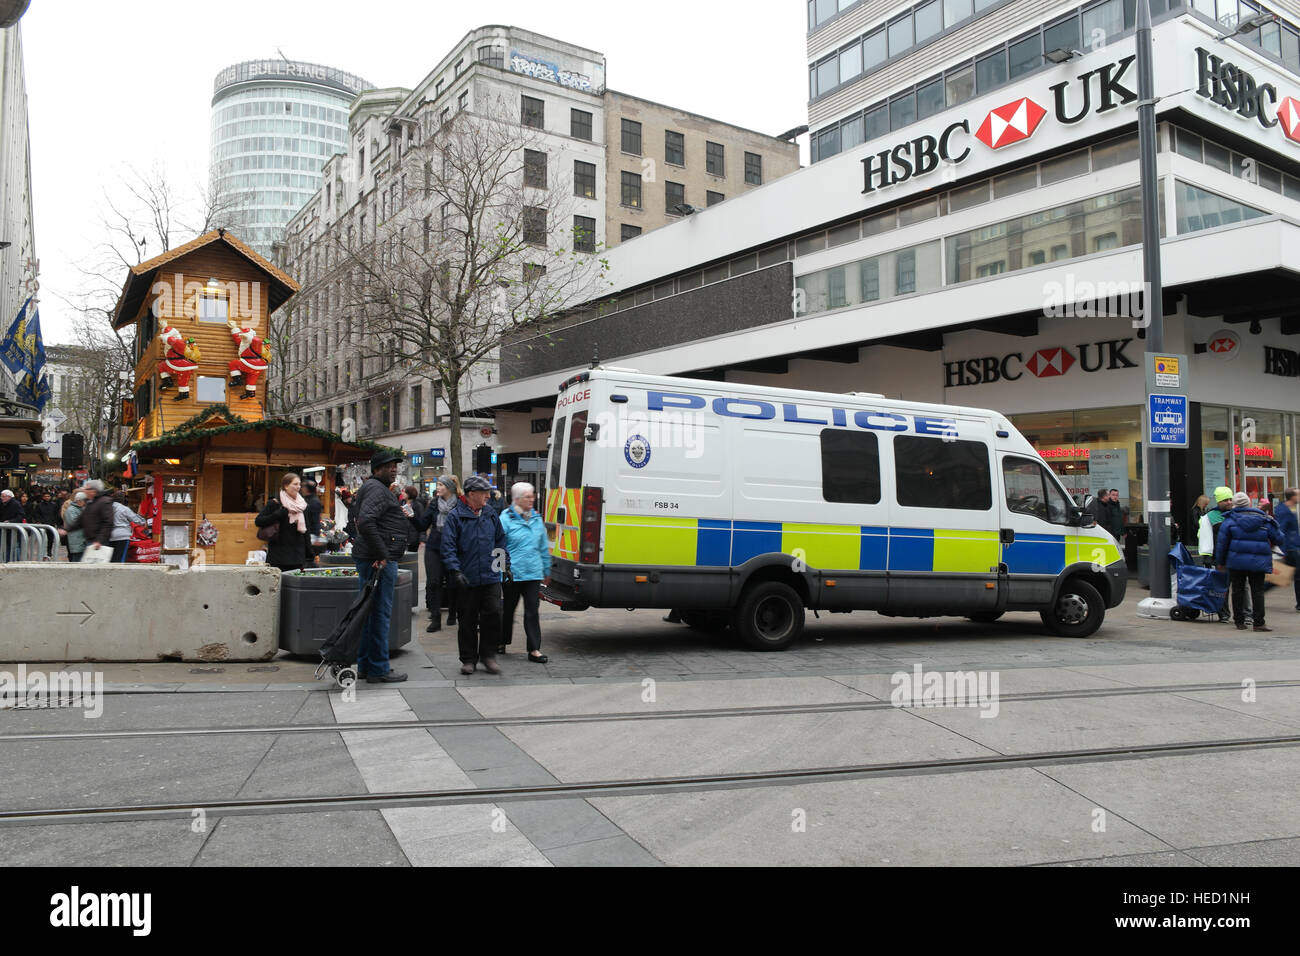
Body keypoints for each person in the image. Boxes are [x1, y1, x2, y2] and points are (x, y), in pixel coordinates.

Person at [351, 450, 410, 683]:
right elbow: (365, 521)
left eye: (395, 465)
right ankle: (378, 668)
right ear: (376, 470)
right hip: (378, 560)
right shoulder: (376, 488)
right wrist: (383, 554)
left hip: (371, 557)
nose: (393, 469)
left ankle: (367, 665)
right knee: (379, 615)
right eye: (387, 466)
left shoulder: (374, 488)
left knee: (369, 612)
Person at [442, 474, 507, 675]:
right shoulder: (455, 516)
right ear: (471, 494)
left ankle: (488, 656)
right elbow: (448, 547)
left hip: (490, 576)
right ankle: (468, 659)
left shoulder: (490, 514)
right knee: (467, 619)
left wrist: (505, 566)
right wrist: (455, 570)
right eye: (484, 493)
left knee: (494, 615)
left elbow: (500, 541)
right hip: (467, 578)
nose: (488, 496)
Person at [1215, 490, 1284, 632]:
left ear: (1234, 504)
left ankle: (1239, 622)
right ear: (1248, 503)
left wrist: (1220, 562)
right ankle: (1259, 623)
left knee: (1237, 591)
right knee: (1257, 591)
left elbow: (1222, 544)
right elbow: (1279, 539)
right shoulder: (1264, 519)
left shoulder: (1229, 521)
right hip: (1258, 561)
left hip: (1236, 562)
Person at [499, 482, 552, 662]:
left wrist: (546, 569)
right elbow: (497, 546)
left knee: (532, 611)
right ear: (516, 499)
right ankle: (502, 641)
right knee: (507, 610)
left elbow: (543, 547)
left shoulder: (537, 519)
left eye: (532, 496)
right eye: (527, 497)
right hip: (512, 574)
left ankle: (534, 649)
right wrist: (499, 572)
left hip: (533, 573)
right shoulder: (504, 519)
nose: (532, 499)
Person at [416, 475, 461, 632]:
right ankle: (435, 618)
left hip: (453, 548)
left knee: (452, 583)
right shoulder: (435, 503)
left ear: (449, 487)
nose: (438, 488)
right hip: (434, 547)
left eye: (441, 485)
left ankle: (453, 613)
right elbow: (423, 524)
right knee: (434, 582)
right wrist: (411, 517)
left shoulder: (460, 504)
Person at [254, 472, 317, 573]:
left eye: (299, 484)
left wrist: (309, 552)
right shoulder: (275, 503)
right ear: (286, 486)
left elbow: (306, 530)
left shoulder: (302, 505)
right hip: (278, 555)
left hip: (297, 555)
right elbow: (258, 521)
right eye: (295, 484)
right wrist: (277, 515)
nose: (298, 487)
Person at [1198, 486, 1235, 622]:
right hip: (1220, 559)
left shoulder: (1236, 513)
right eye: (1225, 500)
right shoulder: (1210, 517)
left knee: (1242, 588)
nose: (1229, 502)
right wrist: (1208, 556)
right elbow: (1205, 537)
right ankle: (1224, 614)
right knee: (1222, 588)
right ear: (1218, 501)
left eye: (1230, 499)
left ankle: (1245, 614)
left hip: (1236, 557)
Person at [1274, 488, 1300, 612]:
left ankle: (1263, 587)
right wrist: (1282, 549)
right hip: (1290, 548)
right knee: (1295, 575)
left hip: (1294, 546)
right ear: (1292, 497)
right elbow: (1281, 530)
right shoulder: (1285, 511)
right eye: (1298, 494)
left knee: (1285, 574)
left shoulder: (1293, 508)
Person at [77, 480, 116, 561]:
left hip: (98, 542)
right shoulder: (90, 502)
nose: (84, 491)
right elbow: (81, 520)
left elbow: (108, 522)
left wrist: (99, 540)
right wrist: (66, 529)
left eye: (86, 489)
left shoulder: (104, 501)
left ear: (93, 491)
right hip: (90, 540)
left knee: (97, 567)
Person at [108, 492, 146, 564]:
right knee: (120, 560)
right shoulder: (124, 509)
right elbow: (137, 520)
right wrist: (143, 519)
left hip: (109, 536)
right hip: (122, 536)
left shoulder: (107, 508)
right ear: (123, 500)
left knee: (111, 559)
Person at [62, 492, 88, 563]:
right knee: (76, 560)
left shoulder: (80, 509)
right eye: (84, 501)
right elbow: (73, 523)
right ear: (79, 501)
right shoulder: (71, 510)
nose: (86, 503)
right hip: (76, 540)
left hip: (81, 540)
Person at [403, 484, 425, 553]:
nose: (402, 493)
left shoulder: (418, 506)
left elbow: (422, 523)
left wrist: (422, 540)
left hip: (413, 538)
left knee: (411, 559)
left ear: (409, 494)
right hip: (402, 537)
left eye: (404, 492)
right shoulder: (401, 504)